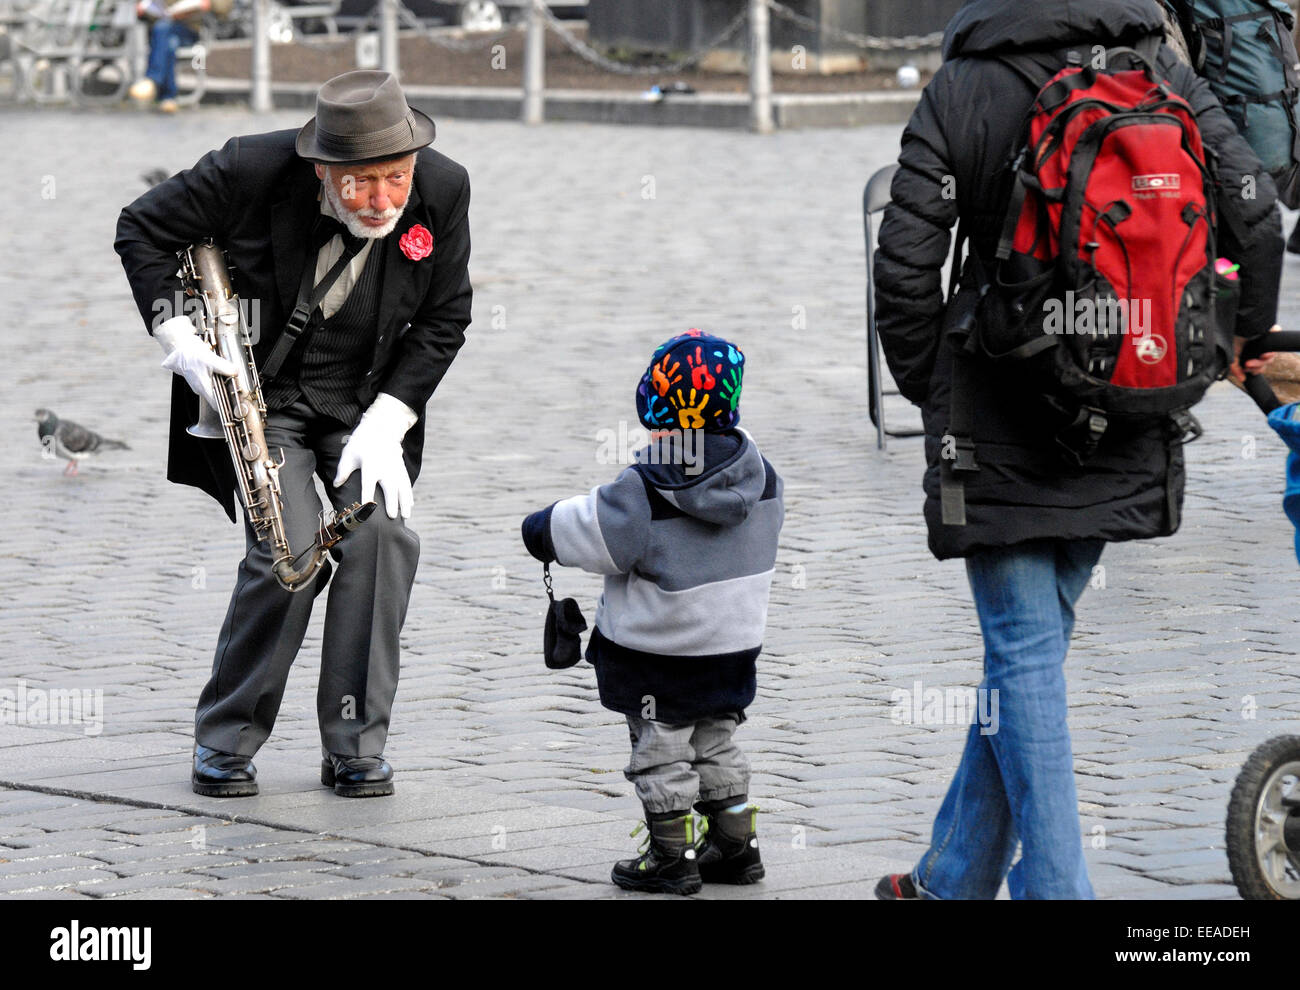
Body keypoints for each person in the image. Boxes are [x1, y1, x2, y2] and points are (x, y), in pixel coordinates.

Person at [872, 0, 1283, 899]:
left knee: (1022, 654)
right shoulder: (1159, 70)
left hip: (998, 406)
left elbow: (906, 266)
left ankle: (1060, 892)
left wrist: (931, 387)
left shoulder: (961, 86)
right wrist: (1225, 347)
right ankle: (951, 876)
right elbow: (1254, 207)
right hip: (1132, 387)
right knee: (1030, 649)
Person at [115, 70, 472, 798]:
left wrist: (393, 415)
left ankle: (355, 745)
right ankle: (226, 738)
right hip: (265, 395)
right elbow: (140, 226)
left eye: (395, 179)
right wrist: (173, 328)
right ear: (323, 169)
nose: (383, 202)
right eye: (362, 183)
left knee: (383, 537)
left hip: (366, 402)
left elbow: (446, 316)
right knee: (291, 552)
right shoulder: (248, 167)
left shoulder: (444, 185)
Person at [520, 331, 784, 895]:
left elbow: (594, 534)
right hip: (732, 647)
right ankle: (736, 848)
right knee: (717, 740)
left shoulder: (646, 486)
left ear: (658, 409)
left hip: (658, 655)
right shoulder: (762, 478)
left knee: (661, 749)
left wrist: (541, 528)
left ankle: (672, 857)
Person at [128, 0, 230, 113]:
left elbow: (223, 6)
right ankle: (168, 98)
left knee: (162, 30)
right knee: (171, 43)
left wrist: (208, 2)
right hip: (163, 30)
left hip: (189, 31)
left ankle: (153, 81)